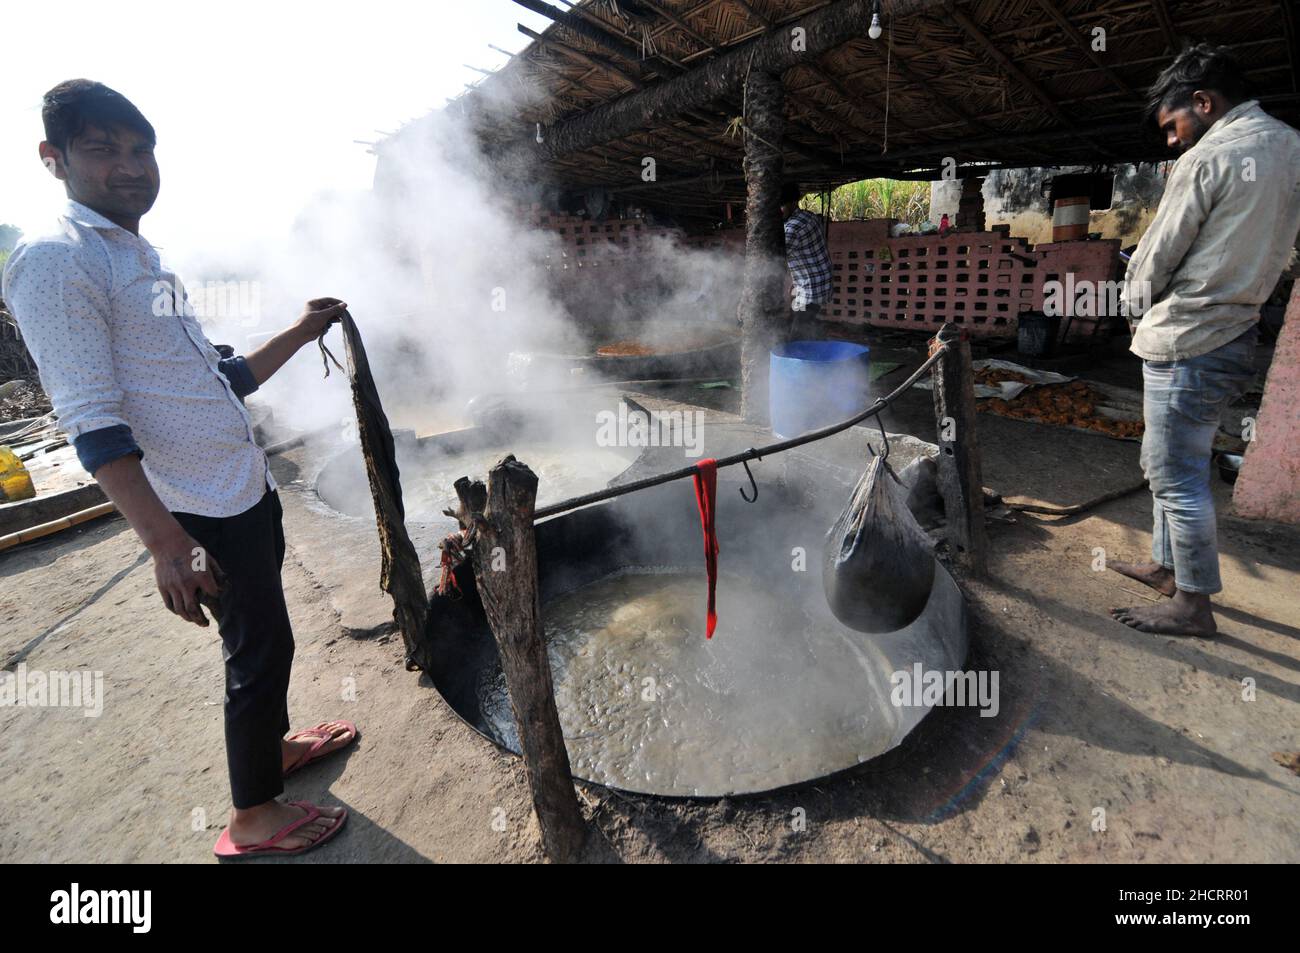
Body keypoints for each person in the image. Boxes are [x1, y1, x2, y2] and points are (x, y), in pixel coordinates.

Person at [2, 79, 359, 857]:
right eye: (103, 150)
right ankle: (254, 817)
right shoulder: (57, 261)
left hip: (240, 490)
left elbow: (220, 379)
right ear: (53, 159)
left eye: (141, 150)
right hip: (196, 508)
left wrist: (302, 332)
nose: (131, 168)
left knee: (269, 639)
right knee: (256, 650)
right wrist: (165, 543)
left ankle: (275, 754)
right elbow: (91, 421)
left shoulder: (133, 254)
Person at [1109, 46, 1300, 637]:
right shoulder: (1291, 147)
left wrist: (1132, 309)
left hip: (1187, 337)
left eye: (1172, 126)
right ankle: (1168, 568)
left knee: (1177, 477)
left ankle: (1192, 605)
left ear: (1203, 102)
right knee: (1176, 463)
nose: (1171, 141)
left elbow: (1157, 256)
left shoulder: (1210, 156)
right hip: (1237, 331)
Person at [780, 183, 833, 340]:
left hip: (810, 289)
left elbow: (774, 259)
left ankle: (816, 349)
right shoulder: (809, 216)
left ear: (792, 202)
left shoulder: (792, 229)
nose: (778, 210)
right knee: (797, 320)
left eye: (781, 205)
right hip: (818, 283)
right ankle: (818, 336)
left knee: (797, 332)